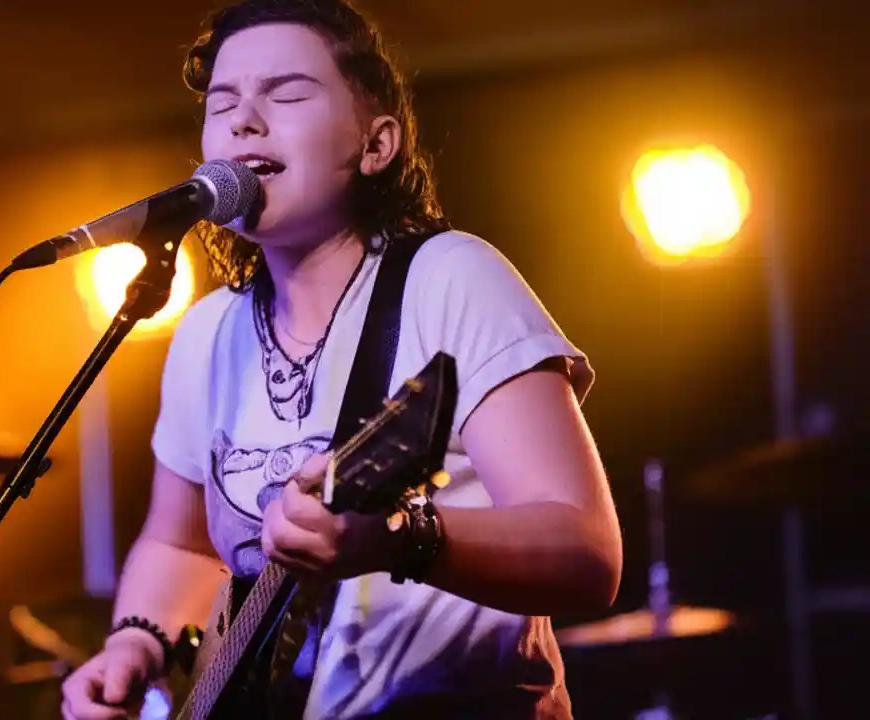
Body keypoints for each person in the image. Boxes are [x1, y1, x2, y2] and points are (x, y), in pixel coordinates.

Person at [61, 1, 622, 717]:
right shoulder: (206, 334)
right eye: (223, 102)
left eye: (287, 93)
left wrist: (401, 538)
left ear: (376, 143)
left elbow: (586, 553)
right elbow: (181, 545)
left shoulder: (450, 279)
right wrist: (131, 648)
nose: (244, 120)